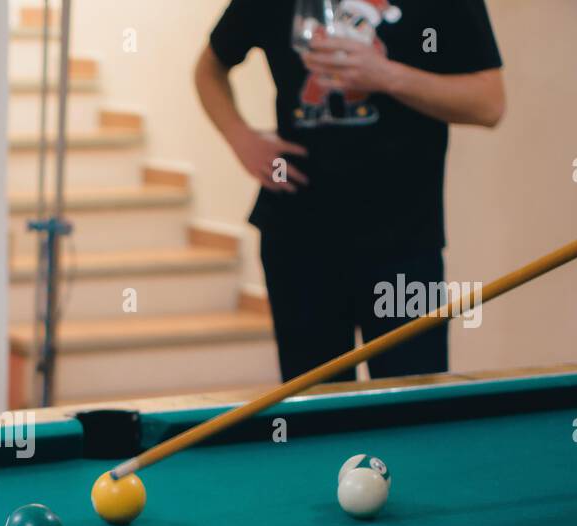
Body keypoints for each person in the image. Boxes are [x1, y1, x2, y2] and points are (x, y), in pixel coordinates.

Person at [195, 0, 505, 381]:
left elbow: (489, 103)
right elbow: (209, 67)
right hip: (298, 236)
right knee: (316, 409)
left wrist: (385, 75)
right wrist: (241, 138)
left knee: (411, 403)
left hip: (406, 241)